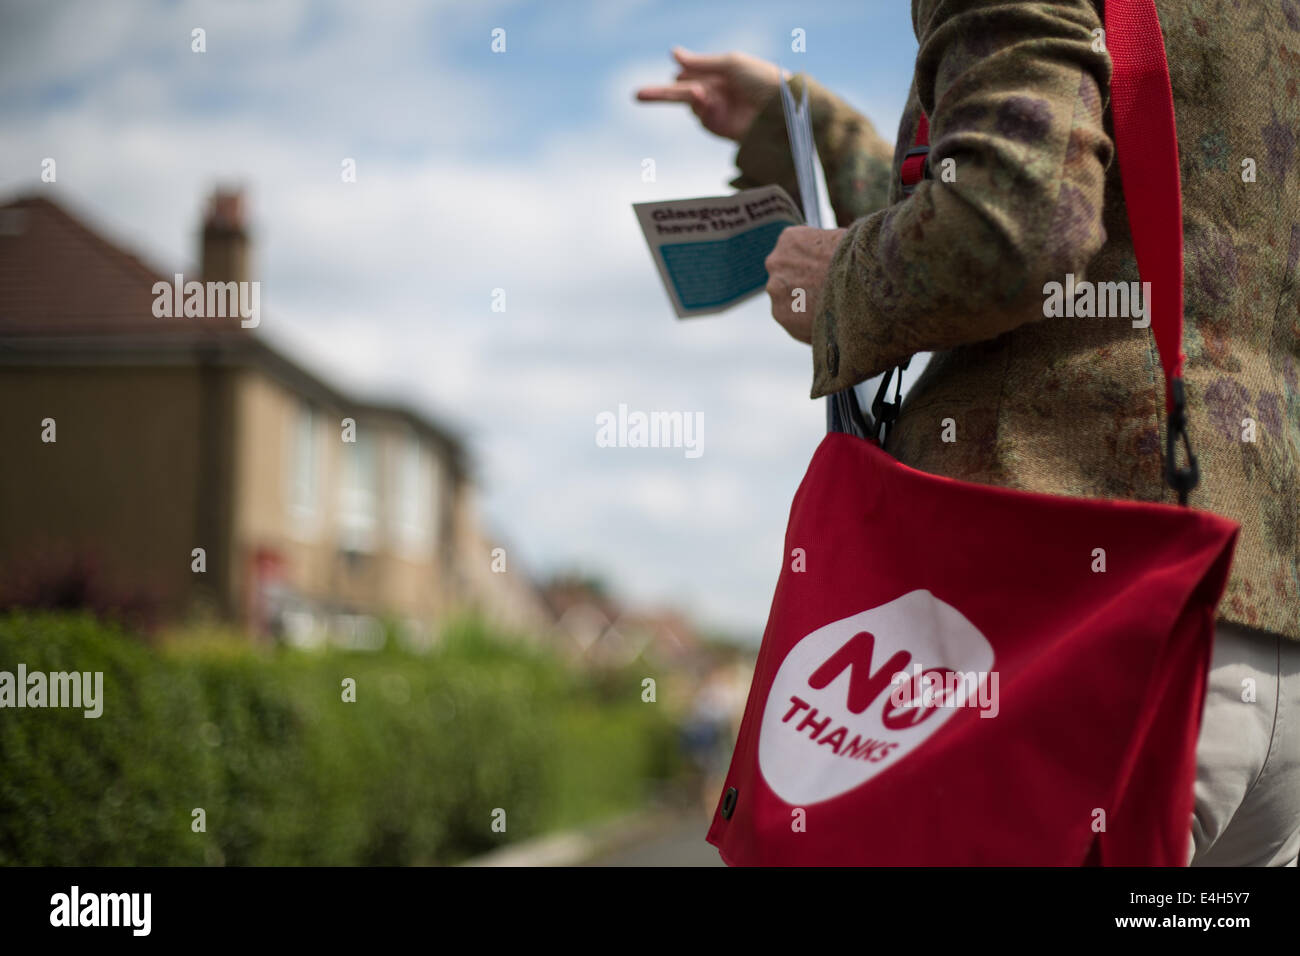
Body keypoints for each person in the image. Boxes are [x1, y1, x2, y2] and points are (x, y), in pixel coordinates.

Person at [637, 0, 1300, 866]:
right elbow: (1082, 196)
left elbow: (1010, 225)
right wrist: (798, 123)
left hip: (1062, 627)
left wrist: (840, 280)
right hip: (1264, 644)